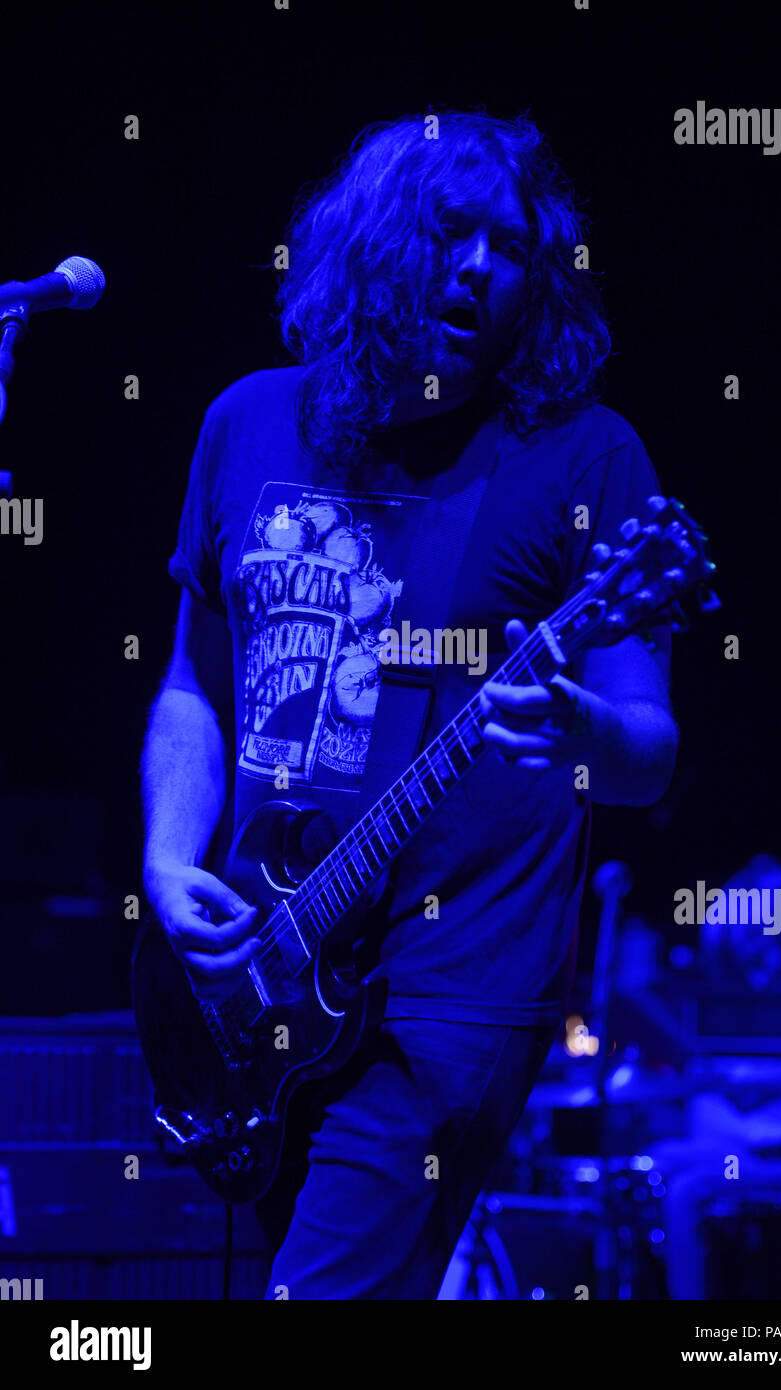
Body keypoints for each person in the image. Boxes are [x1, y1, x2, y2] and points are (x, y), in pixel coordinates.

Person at [141, 110, 678, 1299]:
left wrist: (585, 729)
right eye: (451, 232)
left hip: (455, 994)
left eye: (512, 247)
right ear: (377, 243)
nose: (483, 267)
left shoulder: (583, 459)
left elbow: (647, 749)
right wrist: (170, 853)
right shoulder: (245, 423)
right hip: (263, 972)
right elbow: (193, 683)